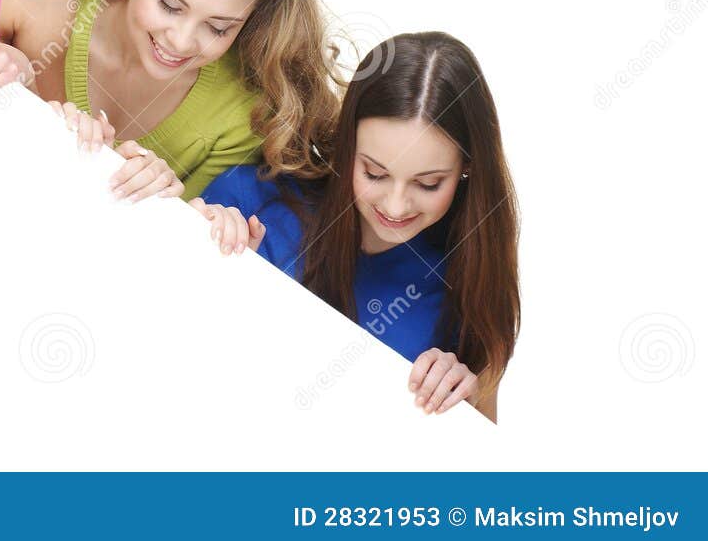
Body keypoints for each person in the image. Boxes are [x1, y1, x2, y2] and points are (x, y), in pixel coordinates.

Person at [194, 31, 521, 422]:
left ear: (467, 168)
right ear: (349, 143)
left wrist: (465, 402)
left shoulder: (464, 293)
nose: (396, 205)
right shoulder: (251, 200)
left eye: (428, 183)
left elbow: (479, 472)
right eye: (375, 172)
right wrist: (187, 244)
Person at [39, 0, 340, 201]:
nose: (181, 42)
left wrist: (166, 204)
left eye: (218, 28)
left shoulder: (240, 117)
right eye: (169, 5)